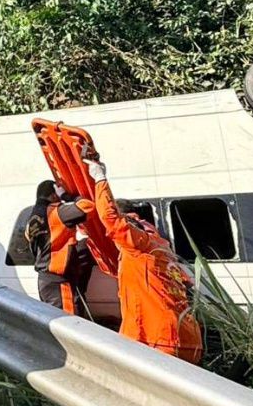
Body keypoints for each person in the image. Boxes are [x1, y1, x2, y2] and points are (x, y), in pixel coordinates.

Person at [85, 154, 204, 363]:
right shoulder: (160, 246)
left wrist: (100, 179)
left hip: (157, 339)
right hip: (185, 339)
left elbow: (111, 219)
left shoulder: (137, 245)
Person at [24, 179, 96, 317]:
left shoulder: (33, 217)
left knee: (56, 322)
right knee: (70, 324)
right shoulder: (56, 212)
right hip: (59, 282)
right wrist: (67, 196)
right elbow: (88, 206)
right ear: (53, 195)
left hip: (45, 280)